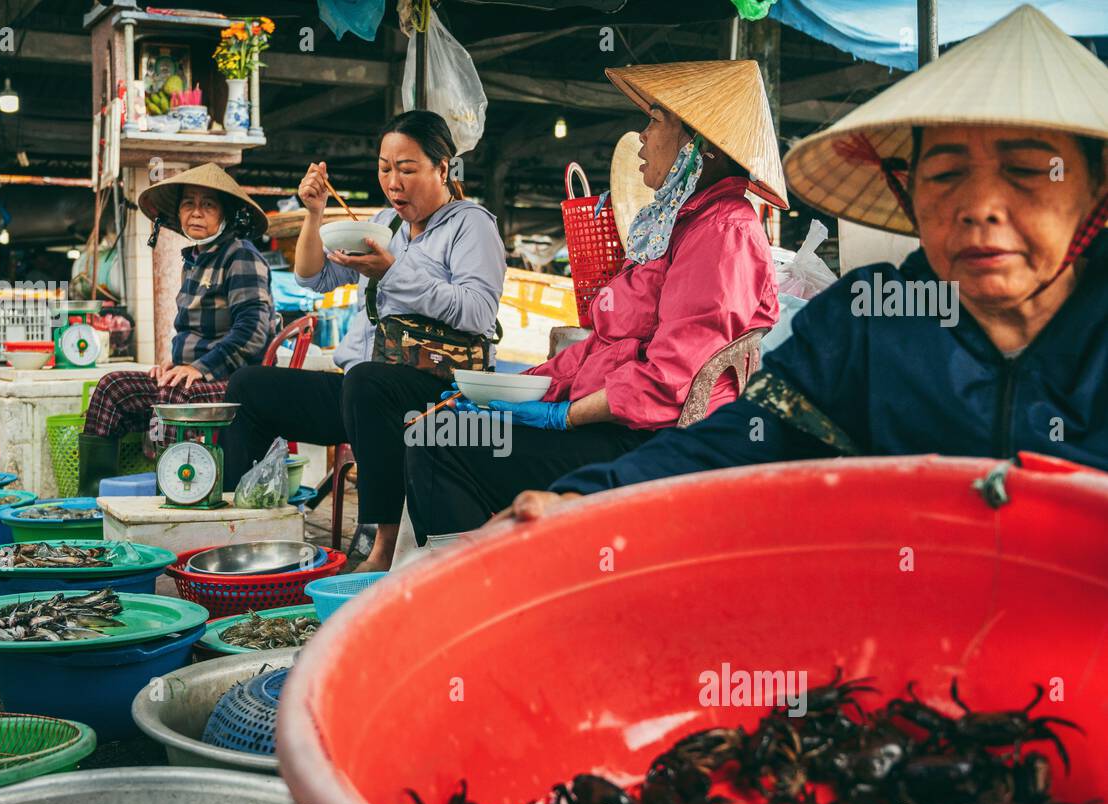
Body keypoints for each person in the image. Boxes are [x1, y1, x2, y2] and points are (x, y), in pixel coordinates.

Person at [500, 5, 1108, 524]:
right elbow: (738, 442)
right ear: (907, 193)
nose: (980, 209)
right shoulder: (866, 324)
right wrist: (583, 499)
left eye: (1028, 172)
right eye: (946, 175)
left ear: (1096, 194)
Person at [403, 59, 786, 543]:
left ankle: (468, 597)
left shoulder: (723, 229)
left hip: (657, 442)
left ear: (700, 147)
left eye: (653, 119)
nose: (641, 137)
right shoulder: (678, 225)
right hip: (621, 423)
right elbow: (603, 346)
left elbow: (670, 381)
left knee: (440, 447)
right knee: (444, 430)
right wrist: (518, 390)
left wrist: (559, 415)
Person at [221, 110, 506, 569]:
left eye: (408, 169)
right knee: (249, 387)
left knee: (367, 383)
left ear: (443, 168)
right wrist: (313, 215)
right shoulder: (382, 224)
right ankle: (246, 530)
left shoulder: (471, 225)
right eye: (385, 168)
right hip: (365, 389)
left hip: (439, 391)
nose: (394, 182)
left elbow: (477, 311)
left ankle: (382, 544)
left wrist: (395, 272)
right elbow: (314, 277)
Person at [78, 162, 276, 495]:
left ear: (225, 213)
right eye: (189, 204)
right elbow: (189, 333)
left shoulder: (240, 256)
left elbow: (253, 330)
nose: (196, 212)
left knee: (175, 399)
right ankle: (93, 500)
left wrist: (199, 368)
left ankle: (173, 498)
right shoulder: (194, 260)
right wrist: (174, 365)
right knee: (113, 388)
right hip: (196, 381)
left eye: (208, 205)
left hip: (235, 384)